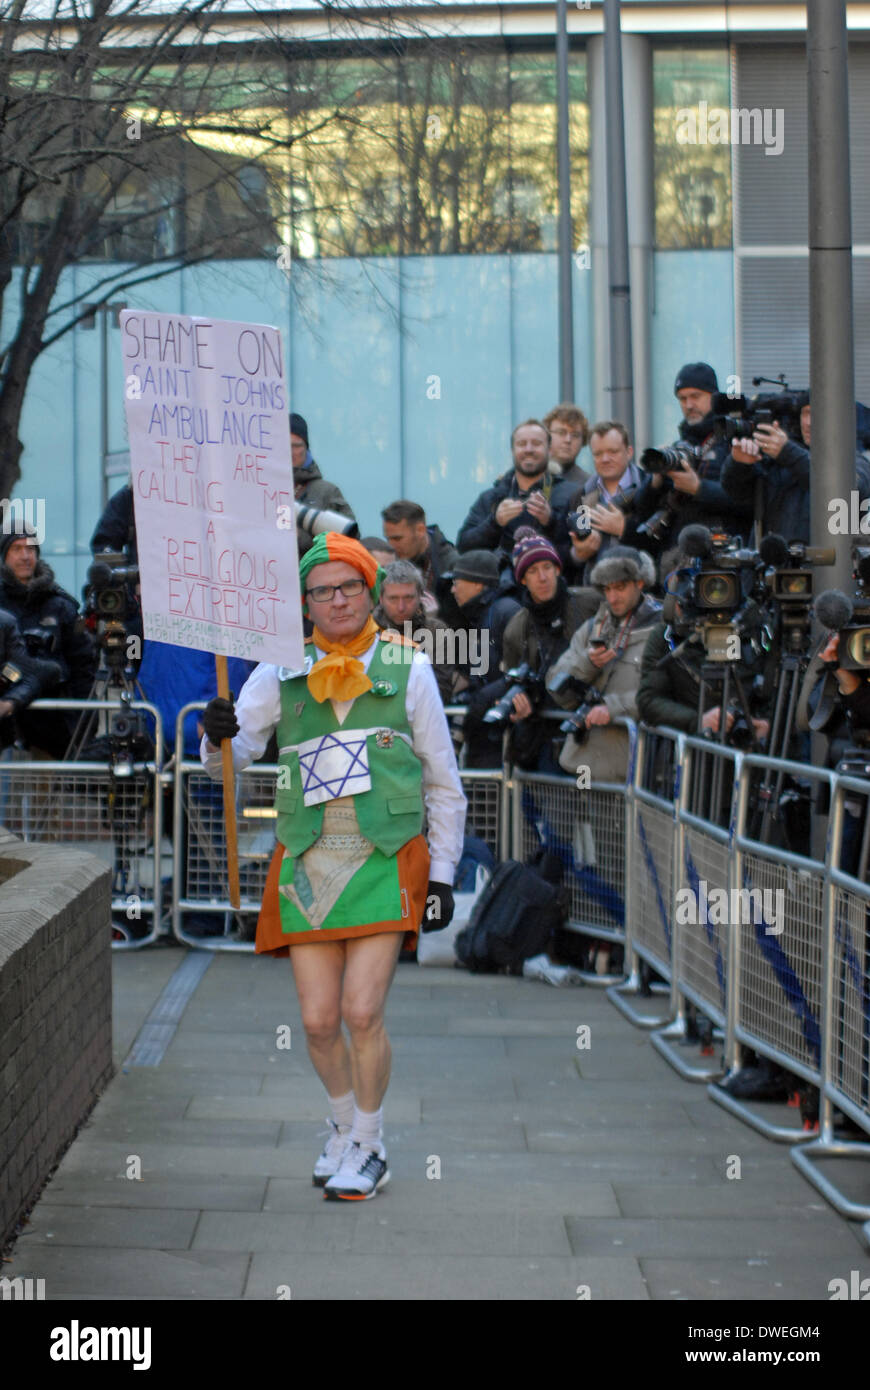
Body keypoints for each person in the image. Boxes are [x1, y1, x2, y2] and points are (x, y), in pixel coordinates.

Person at [201, 533, 465, 1200]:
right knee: (318, 1021)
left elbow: (444, 784)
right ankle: (344, 1127)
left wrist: (444, 877)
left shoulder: (411, 666)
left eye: (349, 587)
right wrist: (216, 736)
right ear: (305, 603)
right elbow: (230, 765)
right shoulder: (276, 673)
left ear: (372, 592)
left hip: (386, 859)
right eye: (322, 591)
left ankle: (372, 1146)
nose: (337, 600)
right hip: (306, 863)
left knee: (361, 1011)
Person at [471, 529, 589, 772]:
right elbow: (515, 678)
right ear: (522, 580)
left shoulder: (588, 603)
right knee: (544, 804)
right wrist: (521, 706)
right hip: (544, 733)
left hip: (589, 728)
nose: (542, 577)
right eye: (532, 571)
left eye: (547, 567)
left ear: (558, 569)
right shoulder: (517, 626)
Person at [547, 547, 660, 781]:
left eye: (620, 587)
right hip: (581, 767)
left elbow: (665, 697)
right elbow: (556, 687)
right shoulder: (591, 628)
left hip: (634, 773)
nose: (612, 597)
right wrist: (587, 663)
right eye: (607, 589)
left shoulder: (662, 632)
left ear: (640, 583)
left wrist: (614, 708)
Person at [632, 363, 752, 563]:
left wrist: (699, 489)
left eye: (696, 396)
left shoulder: (735, 441)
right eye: (682, 398)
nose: (688, 405)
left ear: (713, 397)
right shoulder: (679, 446)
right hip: (679, 555)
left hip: (724, 553)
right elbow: (642, 509)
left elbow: (748, 500)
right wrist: (655, 481)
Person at [0, 525, 96, 757]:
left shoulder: (60, 604)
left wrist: (82, 725)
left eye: (31, 549)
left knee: (48, 790)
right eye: (17, 549)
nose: (25, 556)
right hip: (5, 727)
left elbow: (83, 667)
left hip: (52, 728)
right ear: (4, 556)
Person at [721, 398, 870, 546]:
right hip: (771, 564)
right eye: (805, 413)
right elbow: (736, 493)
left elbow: (848, 490)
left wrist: (787, 452)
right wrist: (739, 463)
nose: (809, 423)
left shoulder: (855, 460)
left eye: (819, 413)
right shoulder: (777, 458)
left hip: (827, 566)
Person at [456, 419, 574, 575]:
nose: (528, 449)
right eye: (522, 444)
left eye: (536, 443)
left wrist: (550, 521)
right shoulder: (491, 497)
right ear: (512, 450)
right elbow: (464, 546)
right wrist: (495, 523)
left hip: (551, 585)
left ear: (550, 450)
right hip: (500, 588)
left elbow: (582, 548)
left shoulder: (573, 494)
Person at [446, 549, 522, 767]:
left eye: (456, 582)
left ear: (478, 584)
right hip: (486, 735)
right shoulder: (484, 614)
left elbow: (522, 668)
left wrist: (483, 700)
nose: (453, 590)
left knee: (497, 797)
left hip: (498, 736)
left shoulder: (505, 611)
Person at [564, 420, 645, 587]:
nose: (605, 459)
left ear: (629, 452)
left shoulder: (650, 488)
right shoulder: (579, 497)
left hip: (641, 593)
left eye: (613, 452)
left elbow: (663, 544)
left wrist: (624, 529)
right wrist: (578, 553)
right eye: (598, 454)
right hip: (593, 595)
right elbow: (562, 552)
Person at [373, 558, 460, 704]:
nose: (401, 607)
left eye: (408, 598)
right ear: (381, 598)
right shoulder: (367, 630)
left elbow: (441, 691)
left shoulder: (436, 631)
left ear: (420, 596)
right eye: (393, 599)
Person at [291, 412, 356, 557]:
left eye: (296, 445)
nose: (290, 452)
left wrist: (300, 537)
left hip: (314, 575)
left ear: (306, 448)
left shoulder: (327, 492)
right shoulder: (264, 489)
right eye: (285, 445)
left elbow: (350, 539)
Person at [380, 500, 459, 619]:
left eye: (397, 539)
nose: (391, 546)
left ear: (420, 530)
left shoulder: (450, 566)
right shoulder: (390, 560)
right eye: (388, 539)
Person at [543, 404, 590, 489]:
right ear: (546, 435)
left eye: (575, 435)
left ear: (583, 441)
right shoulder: (528, 476)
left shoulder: (588, 485)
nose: (568, 440)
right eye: (561, 432)